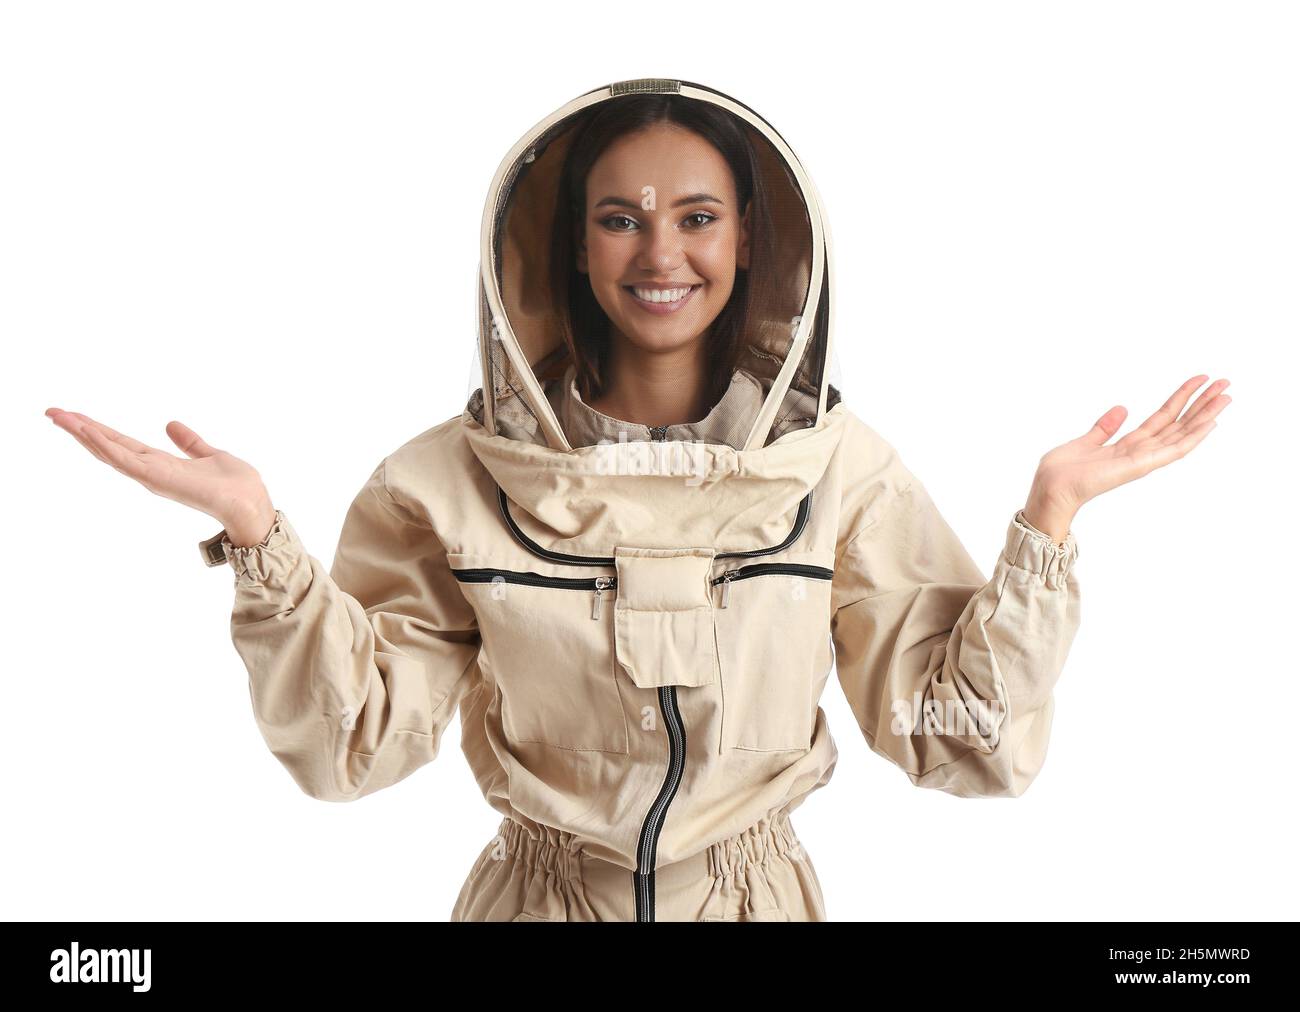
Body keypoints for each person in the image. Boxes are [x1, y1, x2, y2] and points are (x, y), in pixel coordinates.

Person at [46, 78, 1230, 922]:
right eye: (619, 217)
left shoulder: (841, 469)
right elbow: (349, 746)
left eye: (696, 215)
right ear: (564, 245)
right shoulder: (444, 481)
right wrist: (262, 542)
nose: (658, 252)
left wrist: (1048, 525)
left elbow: (959, 743)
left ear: (756, 237)